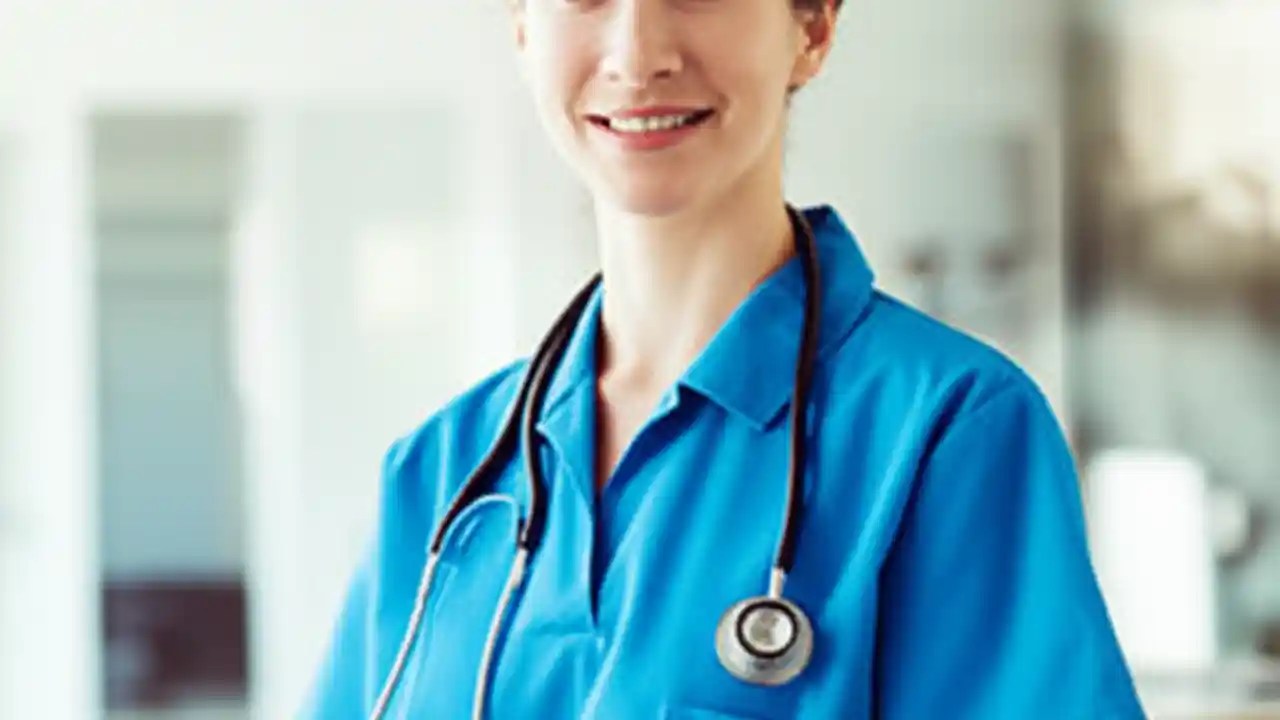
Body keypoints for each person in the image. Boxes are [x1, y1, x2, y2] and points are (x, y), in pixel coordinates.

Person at [303, 0, 1146, 717]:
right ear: (523, 26)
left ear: (812, 27)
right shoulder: (442, 477)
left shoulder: (944, 432)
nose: (639, 55)